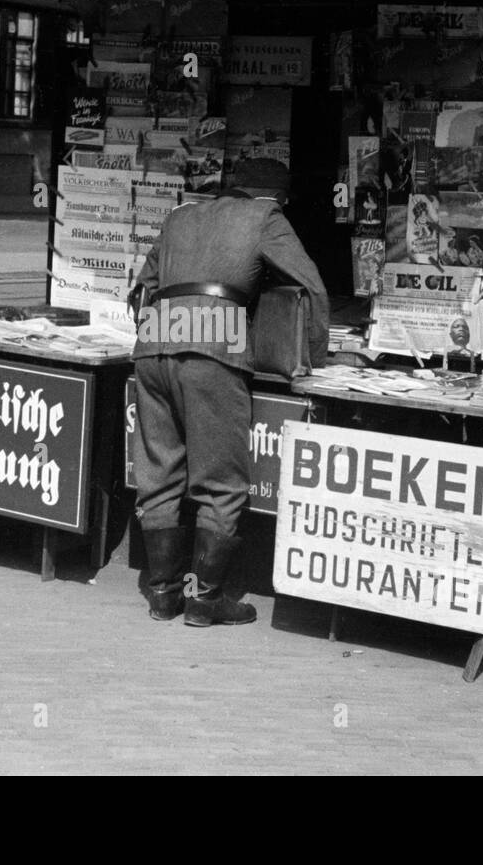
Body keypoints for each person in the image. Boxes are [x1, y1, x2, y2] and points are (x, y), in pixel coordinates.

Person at [128, 158, 328, 626]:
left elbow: (141, 290)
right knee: (219, 482)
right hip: (214, 350)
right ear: (276, 196)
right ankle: (206, 599)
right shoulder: (266, 217)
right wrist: (314, 355)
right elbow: (312, 288)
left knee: (158, 473)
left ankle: (162, 595)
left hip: (152, 346)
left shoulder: (180, 215)